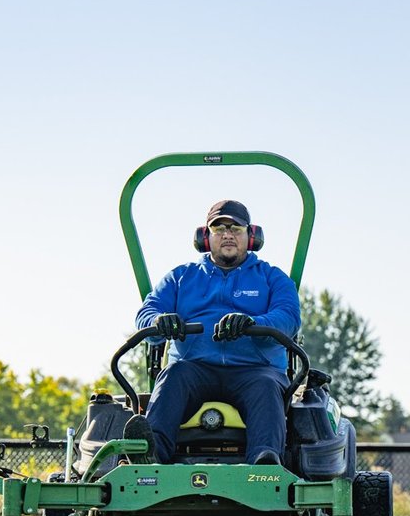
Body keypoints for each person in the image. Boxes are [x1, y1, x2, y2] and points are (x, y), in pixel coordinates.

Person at [127, 198, 301, 465]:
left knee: (267, 386)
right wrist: (160, 321)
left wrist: (251, 323)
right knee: (173, 375)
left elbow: (288, 317)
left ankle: (265, 463)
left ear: (251, 236)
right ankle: (150, 457)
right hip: (193, 368)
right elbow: (146, 315)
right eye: (219, 228)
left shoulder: (272, 278)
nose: (228, 235)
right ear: (205, 236)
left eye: (236, 228)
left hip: (255, 370)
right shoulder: (180, 277)